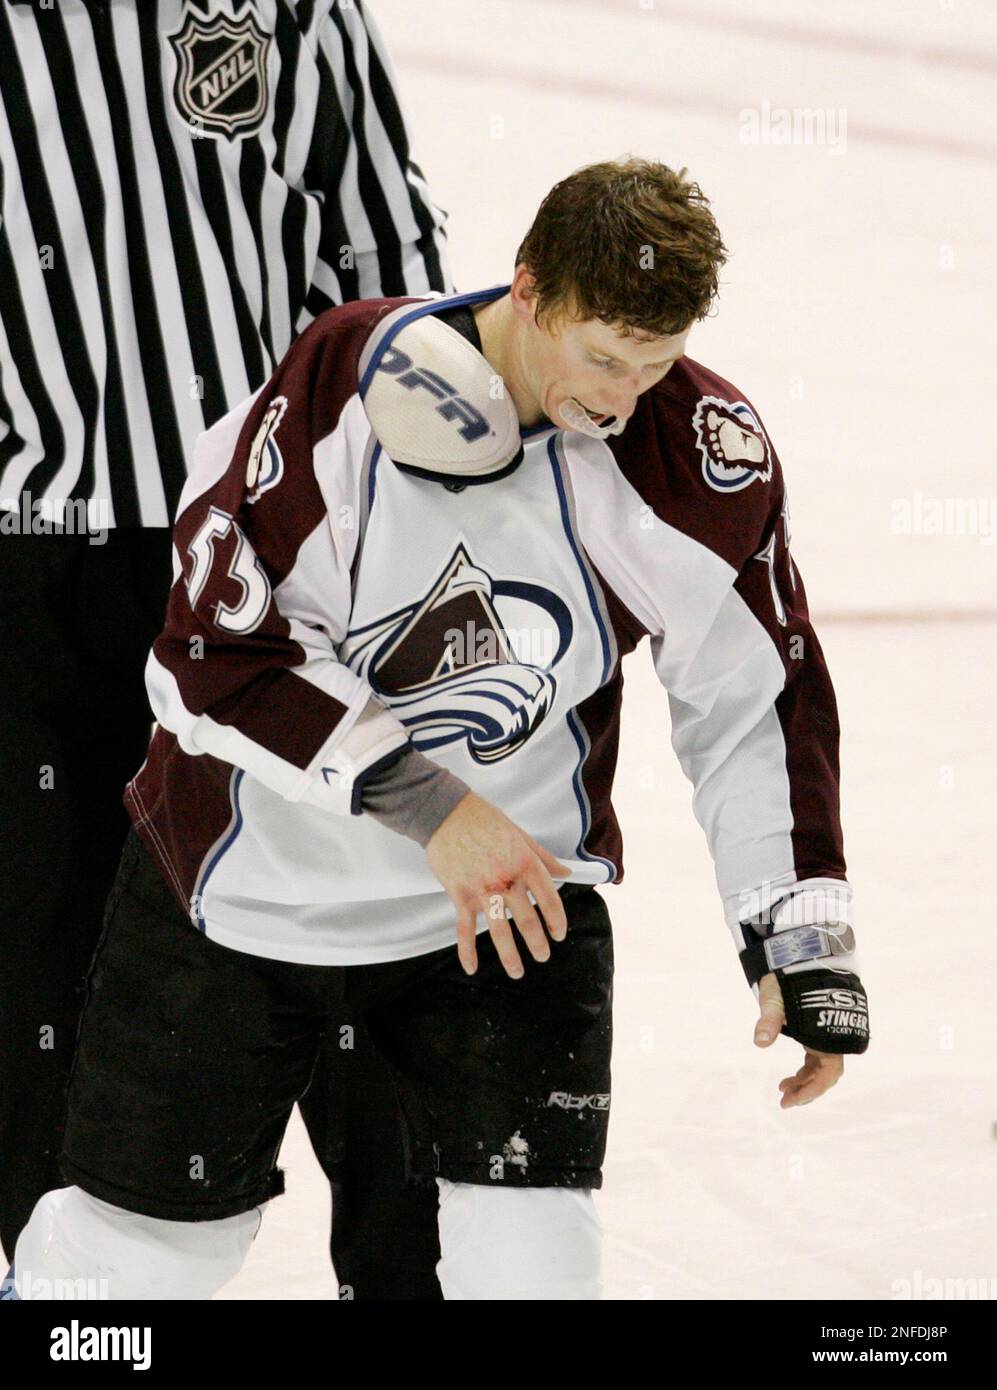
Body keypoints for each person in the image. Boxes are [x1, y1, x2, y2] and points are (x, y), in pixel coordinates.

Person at [12, 157, 870, 1301]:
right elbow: (213, 652)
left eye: (654, 361)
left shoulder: (695, 456)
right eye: (601, 357)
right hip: (249, 892)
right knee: (143, 1264)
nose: (622, 399)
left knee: (532, 1268)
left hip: (510, 911)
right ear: (528, 288)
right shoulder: (345, 384)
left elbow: (753, 699)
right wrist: (431, 807)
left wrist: (796, 939)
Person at [0, 0, 451, 1299]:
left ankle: (412, 1280)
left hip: (274, 547)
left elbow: (380, 245)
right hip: (29, 566)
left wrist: (396, 495)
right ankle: (73, 1305)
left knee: (365, 925)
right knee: (45, 954)